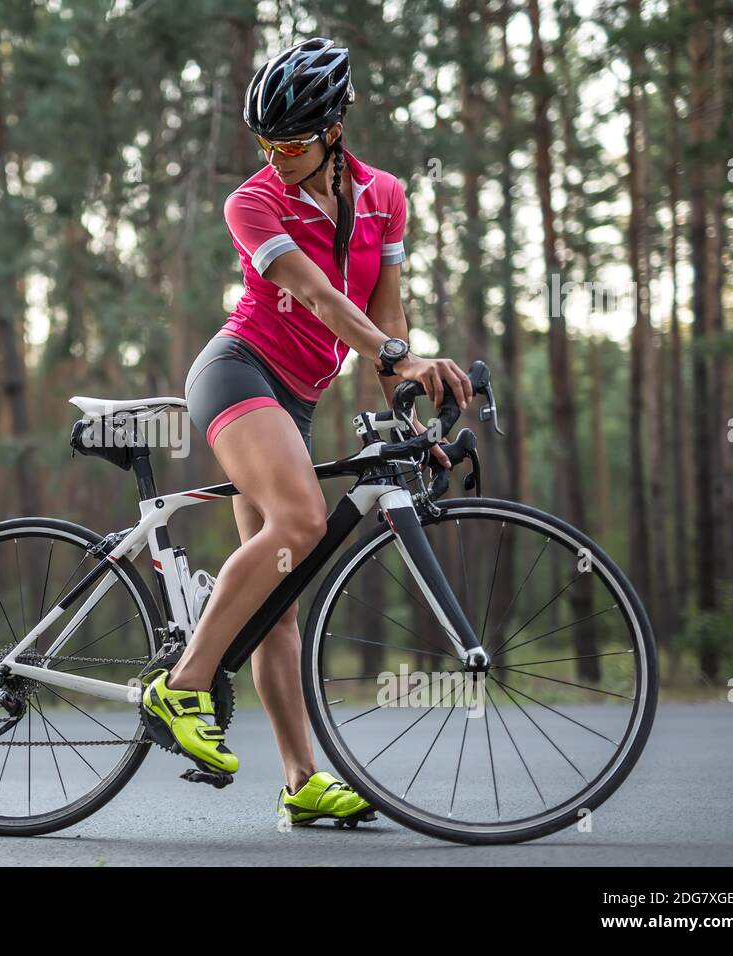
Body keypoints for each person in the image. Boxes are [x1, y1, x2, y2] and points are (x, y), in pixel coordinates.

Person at [141, 37, 474, 826]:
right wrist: (402, 354)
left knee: (280, 594)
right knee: (300, 522)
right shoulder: (251, 202)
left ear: (334, 128)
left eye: (290, 142)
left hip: (295, 399)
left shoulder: (386, 196)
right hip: (237, 373)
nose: (277, 157)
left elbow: (385, 321)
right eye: (265, 143)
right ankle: (182, 685)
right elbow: (322, 298)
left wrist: (409, 417)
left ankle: (301, 784)